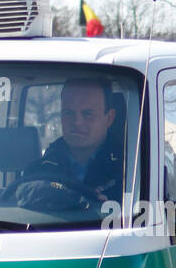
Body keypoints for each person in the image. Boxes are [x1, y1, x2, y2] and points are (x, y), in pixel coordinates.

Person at [15, 77, 124, 208]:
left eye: (87, 113)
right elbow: (22, 195)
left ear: (109, 118)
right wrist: (76, 199)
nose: (77, 121)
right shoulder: (39, 169)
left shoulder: (131, 167)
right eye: (68, 112)